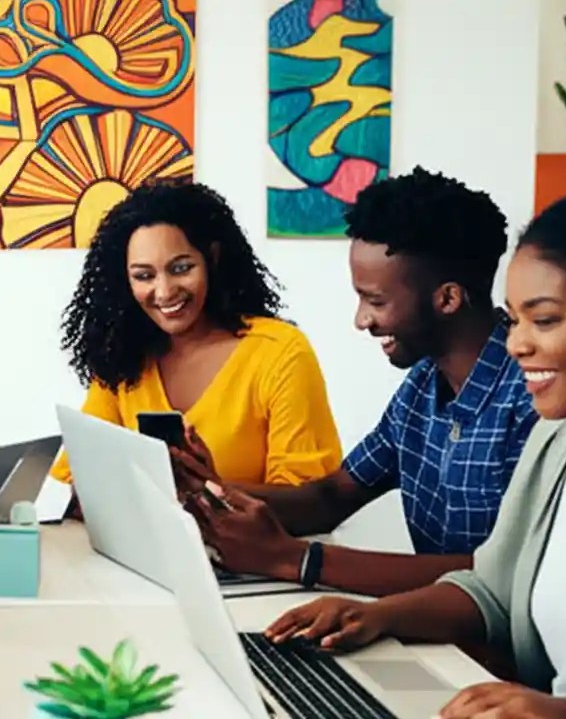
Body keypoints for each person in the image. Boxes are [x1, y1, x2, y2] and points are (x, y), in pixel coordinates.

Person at [262, 157, 566, 718]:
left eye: (543, 321)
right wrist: (376, 615)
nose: (516, 344)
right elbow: (491, 589)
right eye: (514, 320)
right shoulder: (560, 441)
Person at [186, 167, 537, 597]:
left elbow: (503, 575)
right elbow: (334, 495)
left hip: (503, 657)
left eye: (376, 301)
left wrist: (297, 559)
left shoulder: (532, 399)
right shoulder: (423, 385)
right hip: (442, 636)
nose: (361, 320)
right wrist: (207, 489)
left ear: (447, 298)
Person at [53, 180, 343, 490]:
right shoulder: (124, 355)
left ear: (213, 259)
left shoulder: (280, 353)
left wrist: (208, 488)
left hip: (240, 541)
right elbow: (75, 475)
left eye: (181, 268)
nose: (164, 292)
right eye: (144, 276)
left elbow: (310, 500)